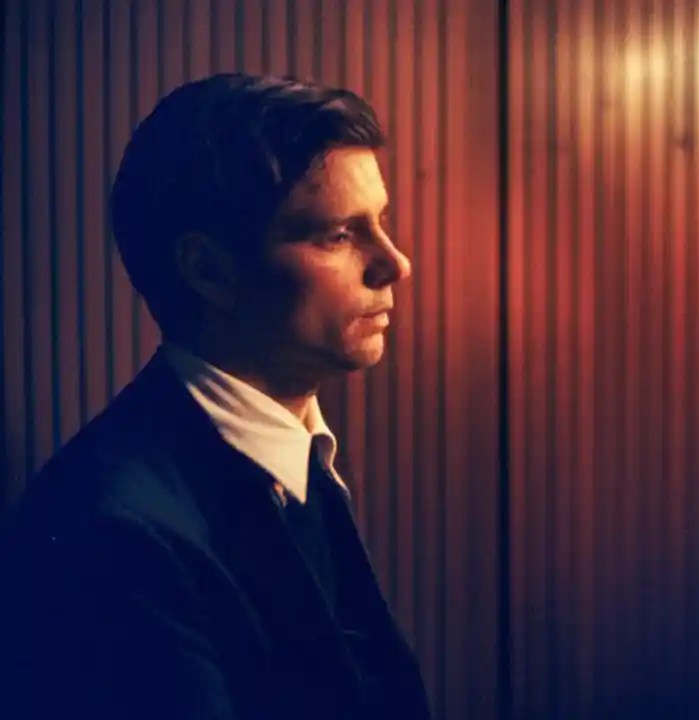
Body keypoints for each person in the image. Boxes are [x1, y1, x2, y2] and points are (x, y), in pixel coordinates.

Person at [0, 73, 431, 719]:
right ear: (209, 271)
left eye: (381, 221)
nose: (394, 262)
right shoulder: (118, 533)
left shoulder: (296, 462)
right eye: (338, 235)